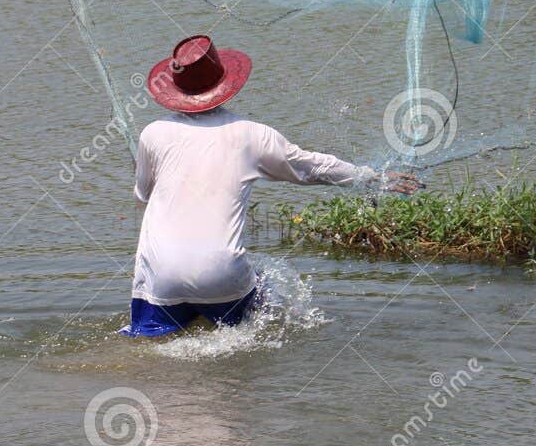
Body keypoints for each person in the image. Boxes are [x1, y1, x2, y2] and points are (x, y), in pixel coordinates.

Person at [121, 34, 419, 338]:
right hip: (223, 278)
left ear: (176, 88)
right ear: (224, 86)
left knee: (148, 343)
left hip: (162, 277)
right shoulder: (253, 136)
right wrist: (369, 177)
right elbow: (310, 166)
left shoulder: (153, 133)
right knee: (262, 302)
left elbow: (142, 195)